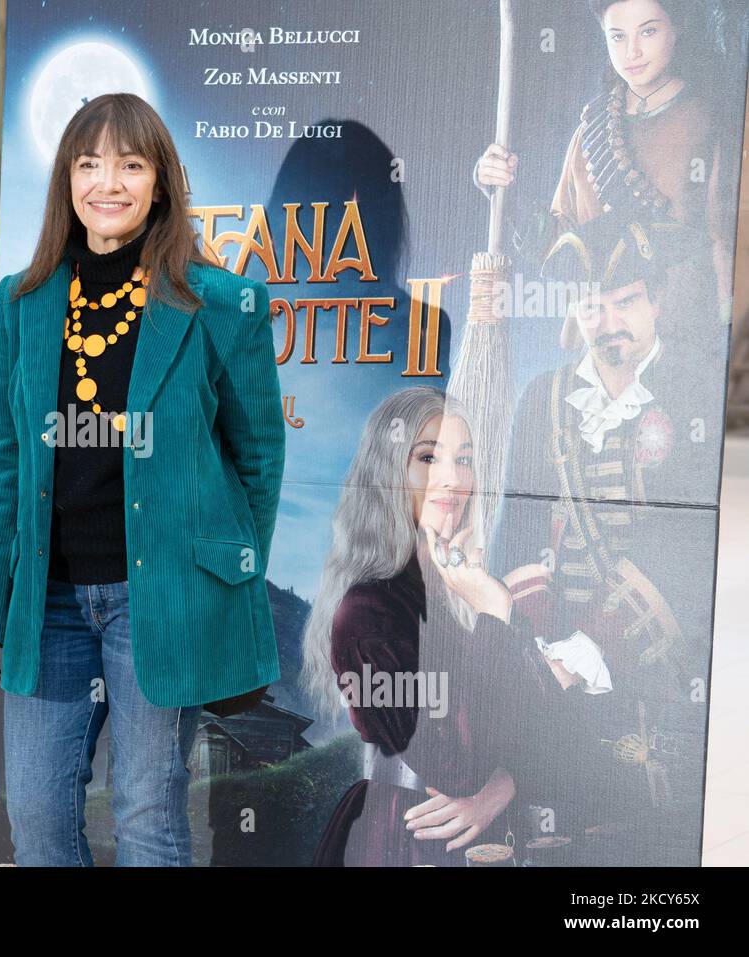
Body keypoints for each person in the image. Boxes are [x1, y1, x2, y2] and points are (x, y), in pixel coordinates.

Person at [0, 93, 286, 866]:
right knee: (36, 816)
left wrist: (222, 579)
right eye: (90, 162)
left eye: (131, 164)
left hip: (157, 603)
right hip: (48, 602)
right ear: (67, 178)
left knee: (146, 815)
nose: (109, 181)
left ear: (160, 182)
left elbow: (258, 458)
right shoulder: (24, 302)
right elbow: (3, 457)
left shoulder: (222, 303)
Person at [493, 212, 716, 865]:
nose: (609, 321)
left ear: (658, 301)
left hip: (661, 689)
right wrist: (533, 651)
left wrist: (585, 651)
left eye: (626, 301)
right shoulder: (544, 398)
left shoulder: (700, 391)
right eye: (592, 303)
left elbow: (688, 546)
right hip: (558, 691)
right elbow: (519, 531)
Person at [303, 387, 581, 867]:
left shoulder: (449, 592)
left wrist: (496, 792)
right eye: (429, 458)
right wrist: (495, 610)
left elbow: (548, 739)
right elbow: (456, 765)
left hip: (472, 839)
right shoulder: (367, 611)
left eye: (464, 460)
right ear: (388, 472)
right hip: (407, 839)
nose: (452, 480)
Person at [474, 0, 736, 331]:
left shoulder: (711, 122)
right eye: (617, 37)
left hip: (686, 327)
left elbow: (724, 239)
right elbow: (563, 242)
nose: (632, 52)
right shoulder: (591, 130)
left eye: (649, 31)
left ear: (677, 27)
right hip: (601, 331)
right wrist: (505, 193)